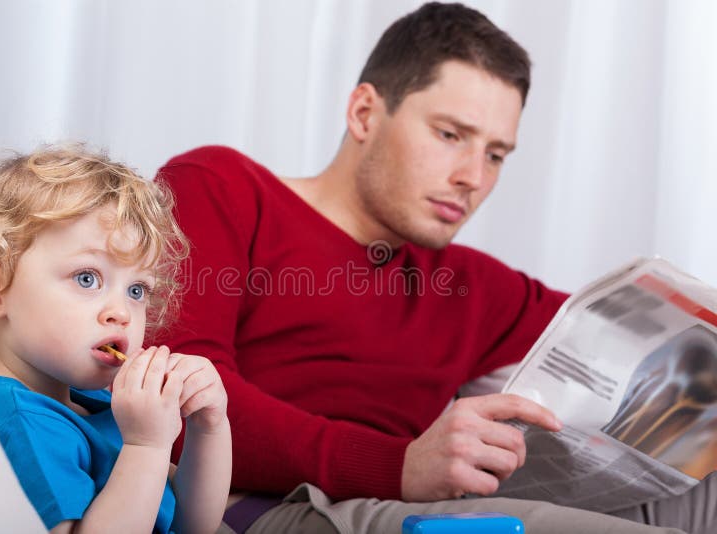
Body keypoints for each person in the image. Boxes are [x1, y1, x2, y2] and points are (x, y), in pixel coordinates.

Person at [154, 3, 715, 534]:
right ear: (365, 113)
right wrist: (397, 464)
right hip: (274, 504)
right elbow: (178, 399)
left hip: (408, 503)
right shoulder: (222, 187)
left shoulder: (471, 284)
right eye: (450, 135)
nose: (474, 175)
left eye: (496, 154)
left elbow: (638, 341)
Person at [0, 146, 232, 533]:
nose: (122, 313)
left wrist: (210, 426)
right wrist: (147, 447)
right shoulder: (21, 422)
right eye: (87, 278)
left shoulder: (99, 402)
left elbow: (196, 524)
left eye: (137, 289)